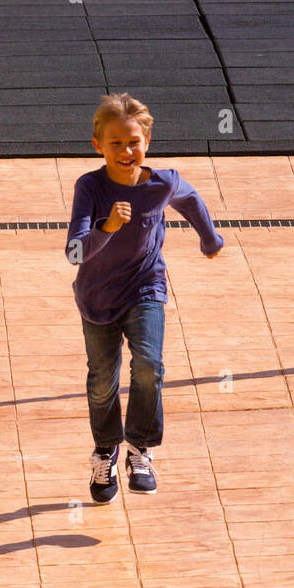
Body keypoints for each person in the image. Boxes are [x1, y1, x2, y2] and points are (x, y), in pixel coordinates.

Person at [65, 93, 224, 503]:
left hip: (145, 287)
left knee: (149, 365)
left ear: (147, 141)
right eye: (115, 143)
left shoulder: (162, 183)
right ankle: (106, 450)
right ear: (98, 146)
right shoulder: (90, 187)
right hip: (96, 298)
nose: (126, 150)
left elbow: (189, 199)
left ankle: (140, 448)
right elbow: (74, 253)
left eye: (133, 141)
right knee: (103, 383)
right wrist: (109, 226)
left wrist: (210, 238)